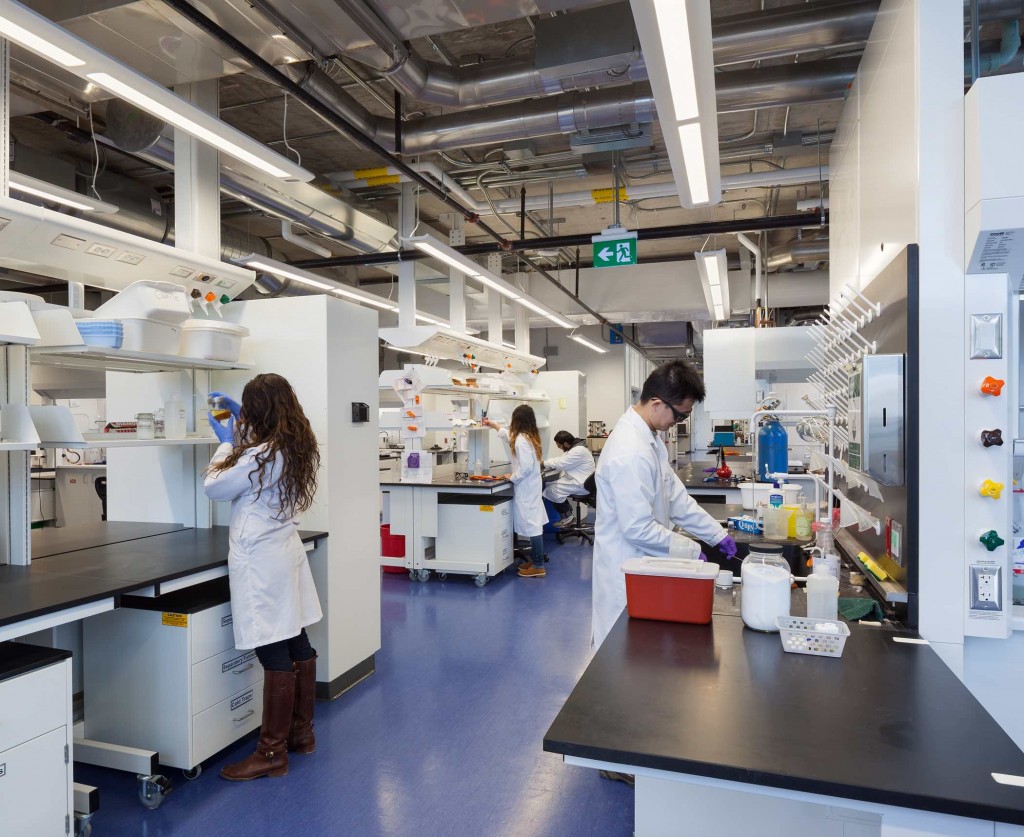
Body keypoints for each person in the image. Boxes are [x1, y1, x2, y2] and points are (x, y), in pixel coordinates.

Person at [204, 375, 323, 781]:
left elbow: (214, 486)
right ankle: (301, 734)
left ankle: (271, 752)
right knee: (296, 638)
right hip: (284, 552)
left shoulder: (261, 455)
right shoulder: (295, 444)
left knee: (272, 648)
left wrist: (226, 442)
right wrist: (245, 427)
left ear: (259, 411)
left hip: (261, 560)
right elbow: (260, 463)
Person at [593, 360, 737, 650]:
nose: (679, 422)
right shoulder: (630, 452)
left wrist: (715, 534)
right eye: (680, 415)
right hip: (626, 566)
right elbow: (637, 528)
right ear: (657, 403)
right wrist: (690, 550)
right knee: (621, 652)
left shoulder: (650, 438)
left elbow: (675, 497)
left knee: (643, 648)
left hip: (646, 562)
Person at [482, 405, 548, 578]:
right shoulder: (528, 437)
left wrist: (512, 477)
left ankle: (538, 566)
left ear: (516, 419)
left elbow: (525, 468)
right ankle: (535, 562)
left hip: (526, 487)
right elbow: (508, 437)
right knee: (534, 525)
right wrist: (493, 425)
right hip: (531, 487)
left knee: (533, 528)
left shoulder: (521, 440)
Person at [543, 430, 596, 527]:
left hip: (581, 484)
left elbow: (562, 463)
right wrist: (548, 463)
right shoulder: (574, 449)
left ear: (565, 444)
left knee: (552, 490)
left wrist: (544, 463)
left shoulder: (578, 451)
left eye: (558, 445)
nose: (558, 447)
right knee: (549, 485)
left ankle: (567, 517)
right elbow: (561, 460)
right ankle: (568, 513)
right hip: (579, 481)